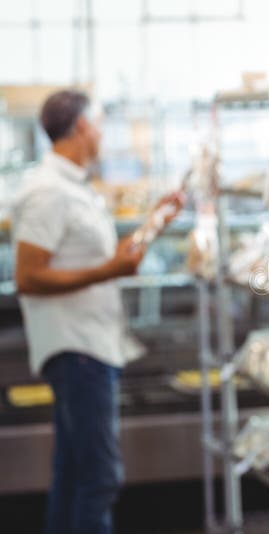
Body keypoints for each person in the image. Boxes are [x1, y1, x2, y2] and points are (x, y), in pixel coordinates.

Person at [11, 89, 184, 534]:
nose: (104, 133)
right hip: (77, 349)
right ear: (83, 127)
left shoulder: (73, 187)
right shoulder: (48, 191)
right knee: (100, 478)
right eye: (101, 124)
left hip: (92, 345)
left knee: (73, 475)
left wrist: (156, 221)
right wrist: (110, 269)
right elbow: (28, 276)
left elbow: (114, 257)